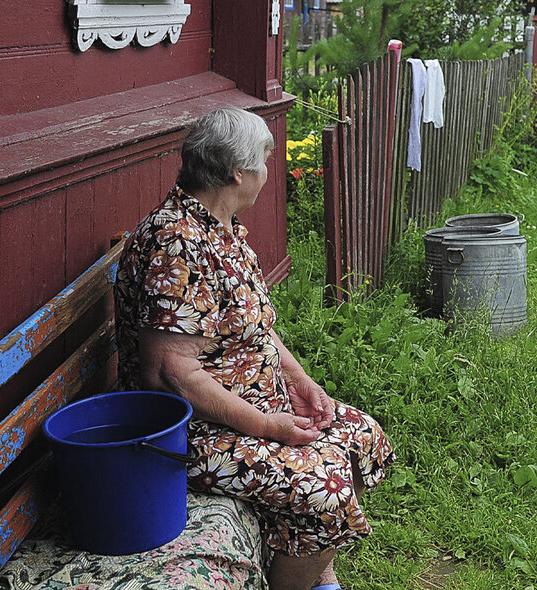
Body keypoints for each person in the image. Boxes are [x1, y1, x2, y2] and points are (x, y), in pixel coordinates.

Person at [114, 108, 394, 590]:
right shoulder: (177, 242)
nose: (269, 173)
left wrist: (299, 380)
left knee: (362, 436)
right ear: (238, 172)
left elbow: (257, 329)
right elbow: (169, 373)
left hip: (252, 404)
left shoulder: (220, 228)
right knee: (324, 489)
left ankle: (313, 566)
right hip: (193, 432)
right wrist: (268, 425)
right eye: (265, 162)